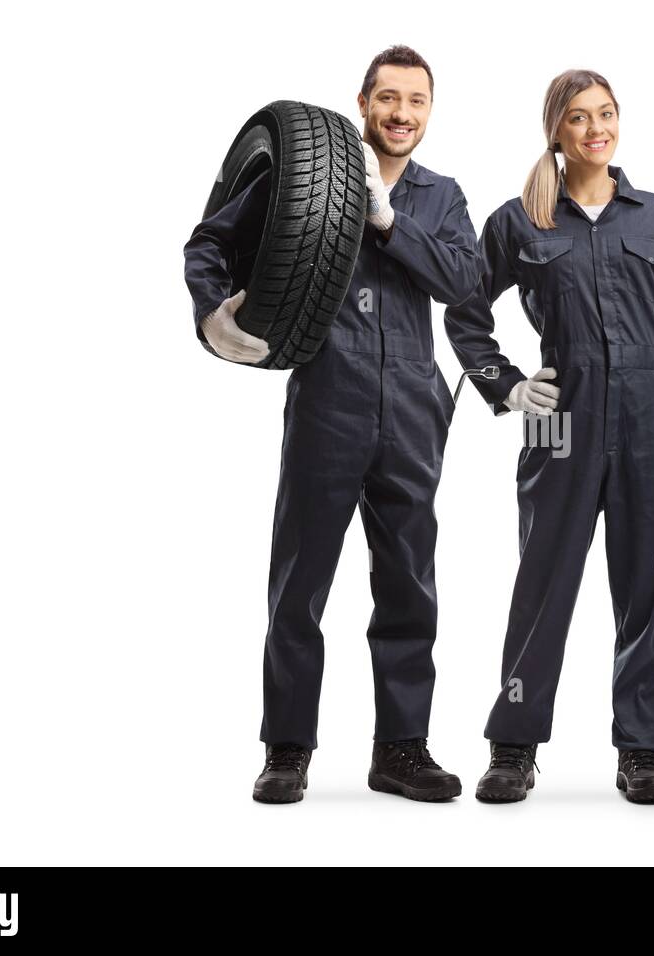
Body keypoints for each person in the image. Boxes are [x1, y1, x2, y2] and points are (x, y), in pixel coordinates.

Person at [444, 69, 654, 804]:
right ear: (557, 132)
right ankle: (513, 746)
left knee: (647, 585)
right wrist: (504, 384)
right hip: (562, 421)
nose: (596, 128)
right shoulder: (519, 221)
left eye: (605, 114)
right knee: (543, 582)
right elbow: (463, 311)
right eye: (579, 117)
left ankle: (642, 751)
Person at [183, 46, 482, 803]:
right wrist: (211, 314)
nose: (402, 114)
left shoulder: (442, 196)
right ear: (362, 102)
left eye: (416, 101)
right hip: (330, 393)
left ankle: (401, 750)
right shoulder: (305, 176)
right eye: (388, 98)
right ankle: (287, 747)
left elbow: (463, 279)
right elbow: (209, 243)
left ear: (429, 111)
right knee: (300, 580)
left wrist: (389, 225)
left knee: (411, 584)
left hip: (414, 402)